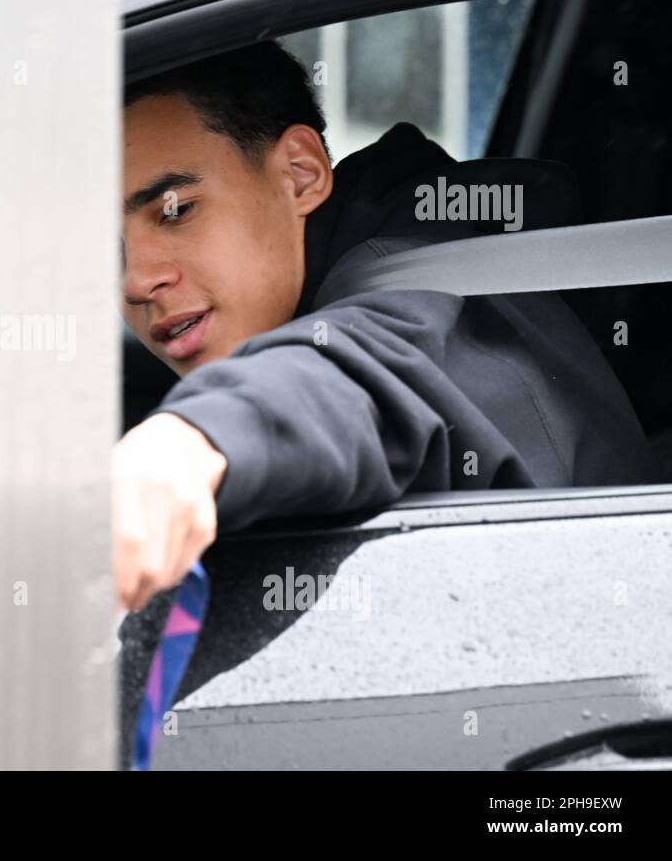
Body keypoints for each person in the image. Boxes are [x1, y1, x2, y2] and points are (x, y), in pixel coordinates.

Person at [113, 41, 652, 613]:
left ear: (299, 175)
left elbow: (367, 371)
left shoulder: (428, 298)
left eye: (175, 211)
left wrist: (193, 443)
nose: (135, 281)